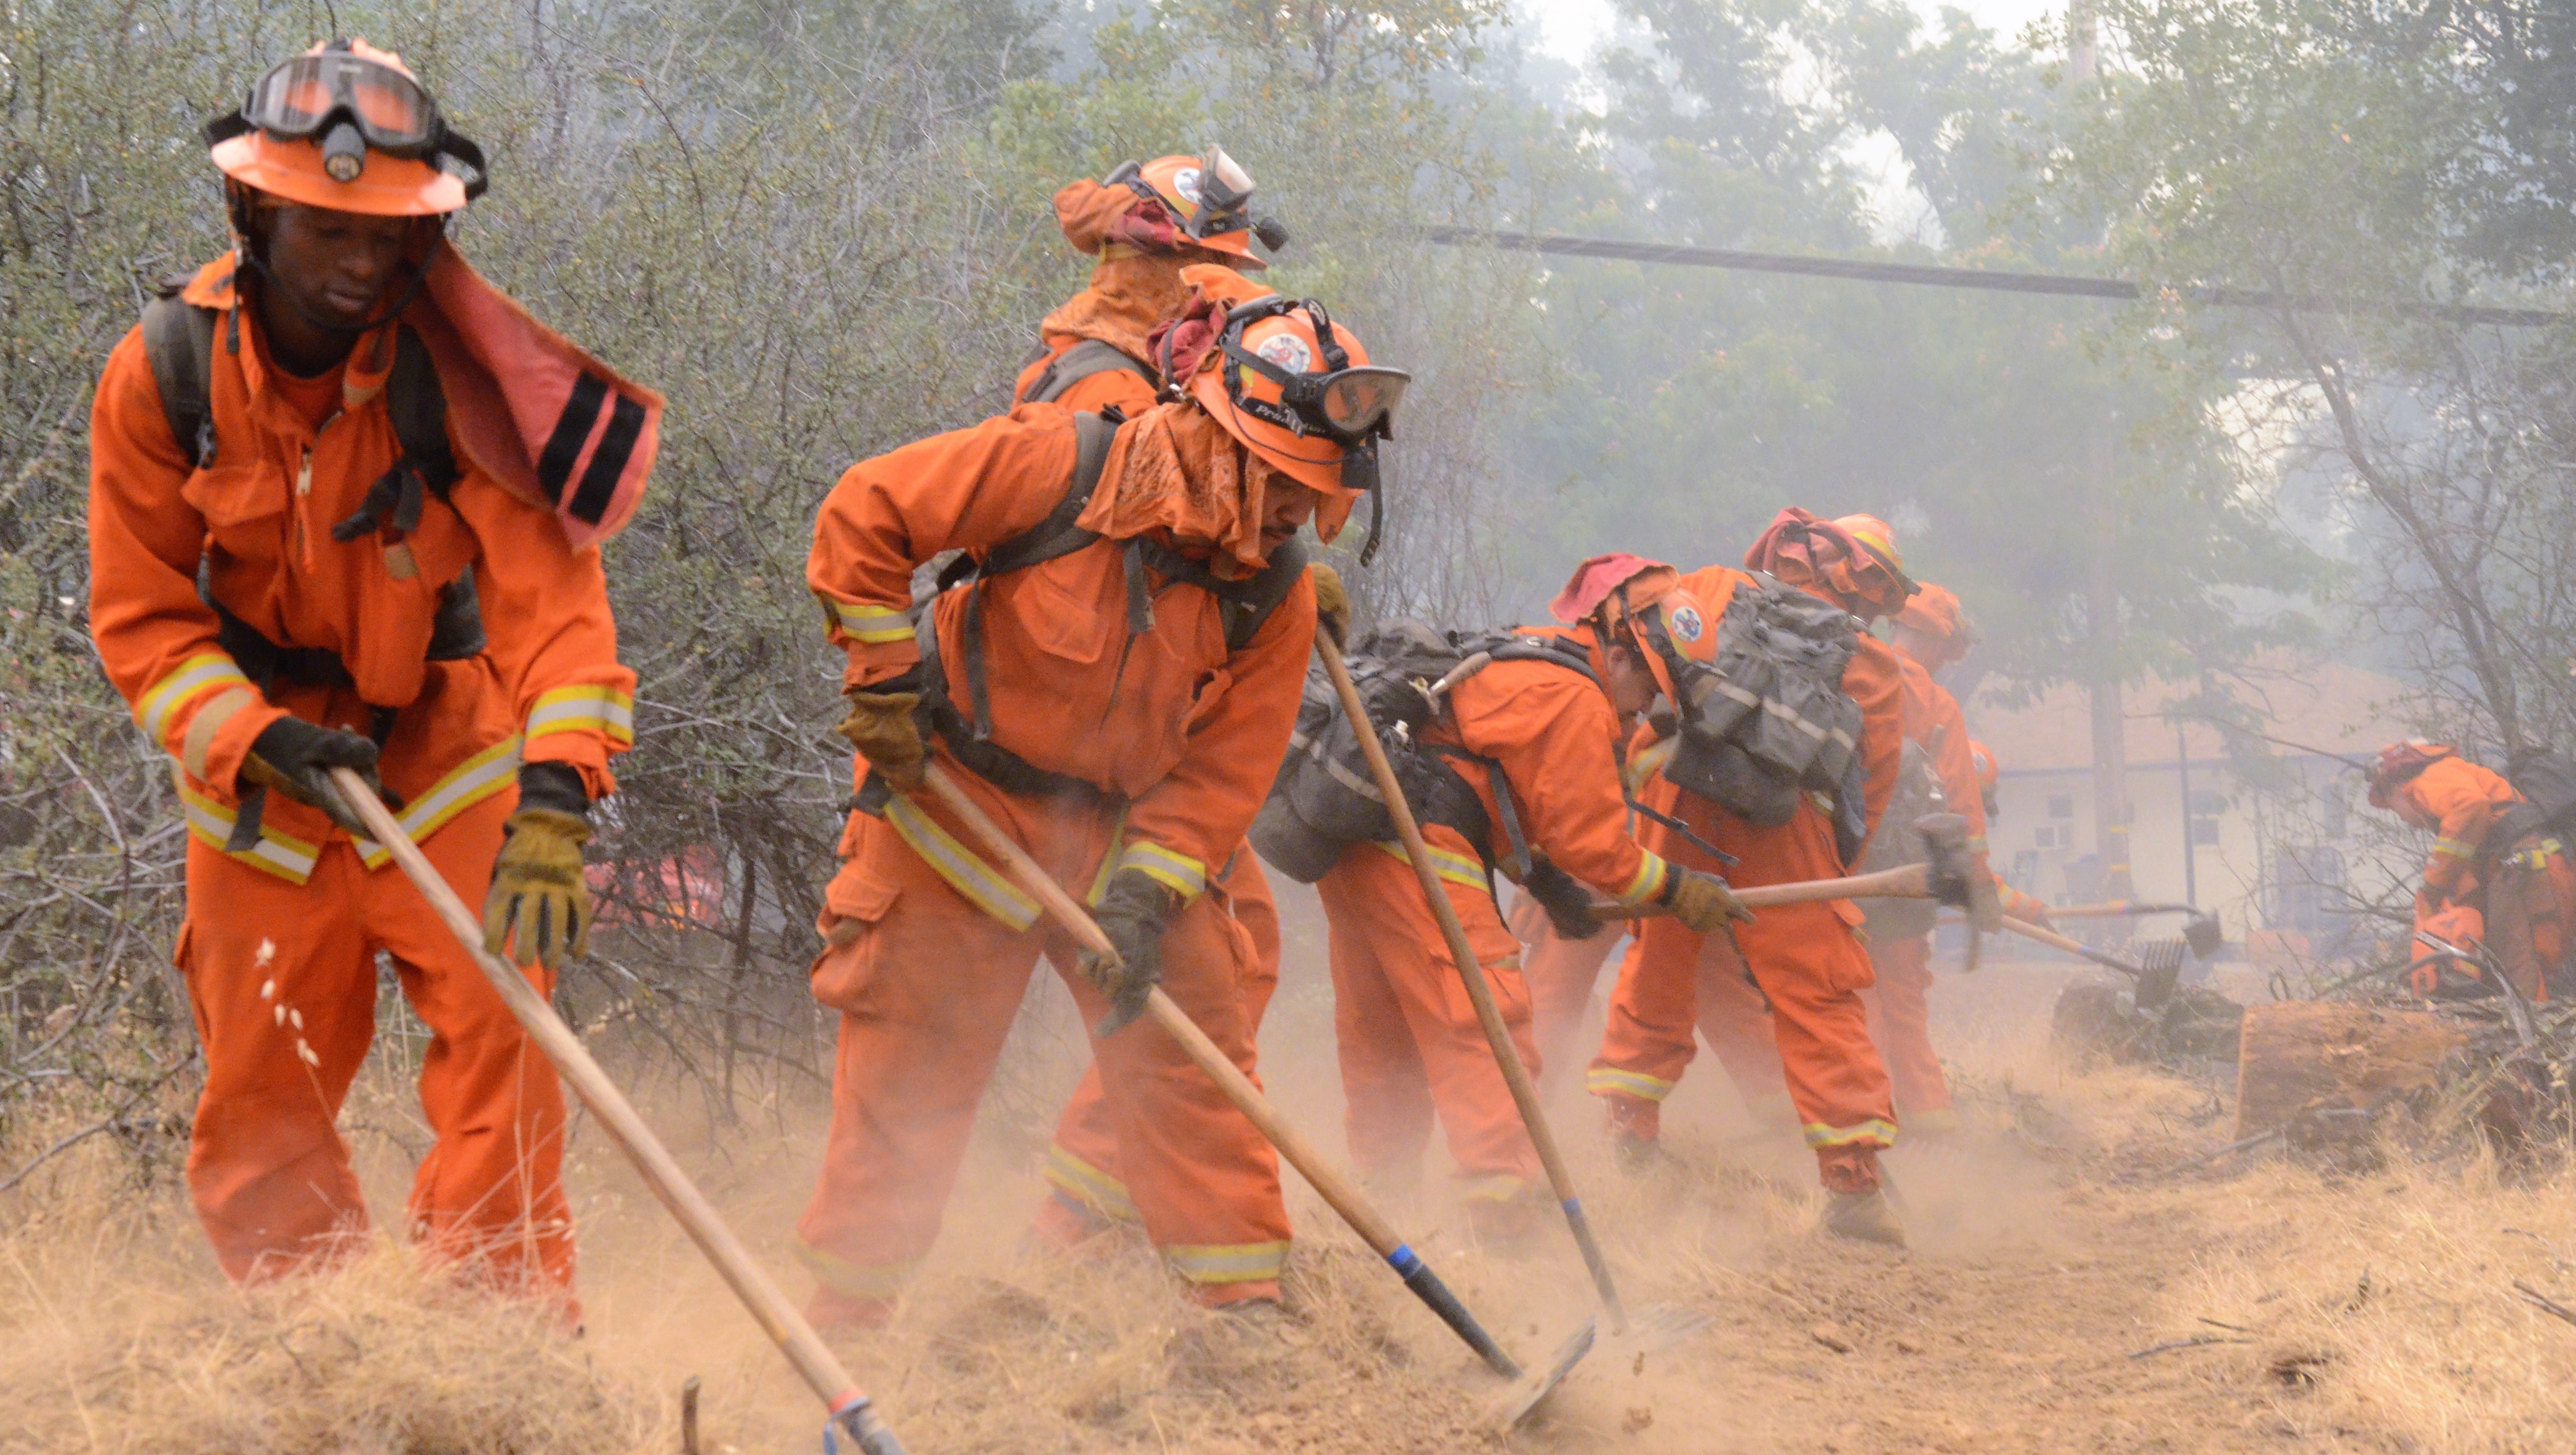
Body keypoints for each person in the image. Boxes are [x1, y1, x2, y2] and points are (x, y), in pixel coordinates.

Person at [89, 40, 654, 1303]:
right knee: (258, 1104)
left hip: (444, 756)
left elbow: (552, 599)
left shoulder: (451, 377)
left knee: (508, 1052)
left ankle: (491, 1367)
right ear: (256, 213)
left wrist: (560, 794)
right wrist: (253, 736)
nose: (362, 262)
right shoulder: (166, 373)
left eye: (389, 235)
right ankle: (321, 1361)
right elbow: (139, 620)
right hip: (265, 791)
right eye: (330, 229)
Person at [796, 263, 1403, 1325]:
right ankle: (848, 1333)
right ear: (1214, 429)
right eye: (1274, 479)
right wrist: (881, 679)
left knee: (1194, 1055)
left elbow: (1225, 769)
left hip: (1116, 833)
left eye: (1310, 492)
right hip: (954, 814)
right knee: (907, 1085)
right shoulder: (1061, 464)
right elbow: (866, 511)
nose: (1289, 512)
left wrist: (1150, 890)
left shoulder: (1276, 589)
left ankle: (1244, 1319)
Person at [1007, 153, 1302, 1250]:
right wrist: (1252, 553)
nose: (1219, 293)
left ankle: (1103, 1202)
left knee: (1239, 943)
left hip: (1133, 718)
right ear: (1141, 255)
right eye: (1201, 268)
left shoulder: (1143, 357)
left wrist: (1279, 547)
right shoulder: (1100, 381)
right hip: (1098, 737)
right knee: (1207, 966)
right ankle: (1092, 1221)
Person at [1306, 603, 1749, 1233]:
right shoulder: (1572, 695)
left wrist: (1542, 880)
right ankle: (1503, 1204)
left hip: (1361, 849)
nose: (1646, 710)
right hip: (1423, 851)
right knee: (1486, 1018)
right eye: (1649, 688)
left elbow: (1495, 781)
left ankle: (1384, 1198)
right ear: (1619, 655)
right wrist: (1677, 887)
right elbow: (1593, 843)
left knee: (1383, 1031)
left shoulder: (1529, 654)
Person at [1578, 513, 1916, 1244]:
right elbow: (1873, 784)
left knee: (1656, 965)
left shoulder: (1714, 589)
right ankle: (1854, 1188)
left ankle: (1629, 1142)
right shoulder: (1875, 665)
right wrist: (1832, 878)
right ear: (1869, 591)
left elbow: (1646, 718)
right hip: (1786, 820)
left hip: (1676, 797)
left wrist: (1646, 823)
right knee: (1818, 990)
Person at [1854, 582, 1993, 1134]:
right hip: (1899, 881)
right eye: (1947, 651)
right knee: (1900, 1003)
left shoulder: (1844, 670)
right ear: (1935, 643)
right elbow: (1962, 812)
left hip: (1830, 870)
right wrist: (1978, 887)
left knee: (1848, 998)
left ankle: (1861, 1115)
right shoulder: (1935, 705)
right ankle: (1924, 1123)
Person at [2368, 741, 2576, 1001]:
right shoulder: (2454, 776)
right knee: (2519, 964)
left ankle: (2531, 1036)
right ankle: (2533, 1032)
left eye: (2393, 809)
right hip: (2539, 869)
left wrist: (2433, 885)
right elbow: (2474, 872)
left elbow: (2470, 805)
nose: (2403, 819)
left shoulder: (2427, 780)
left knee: (2517, 966)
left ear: (2394, 789)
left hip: (2526, 870)